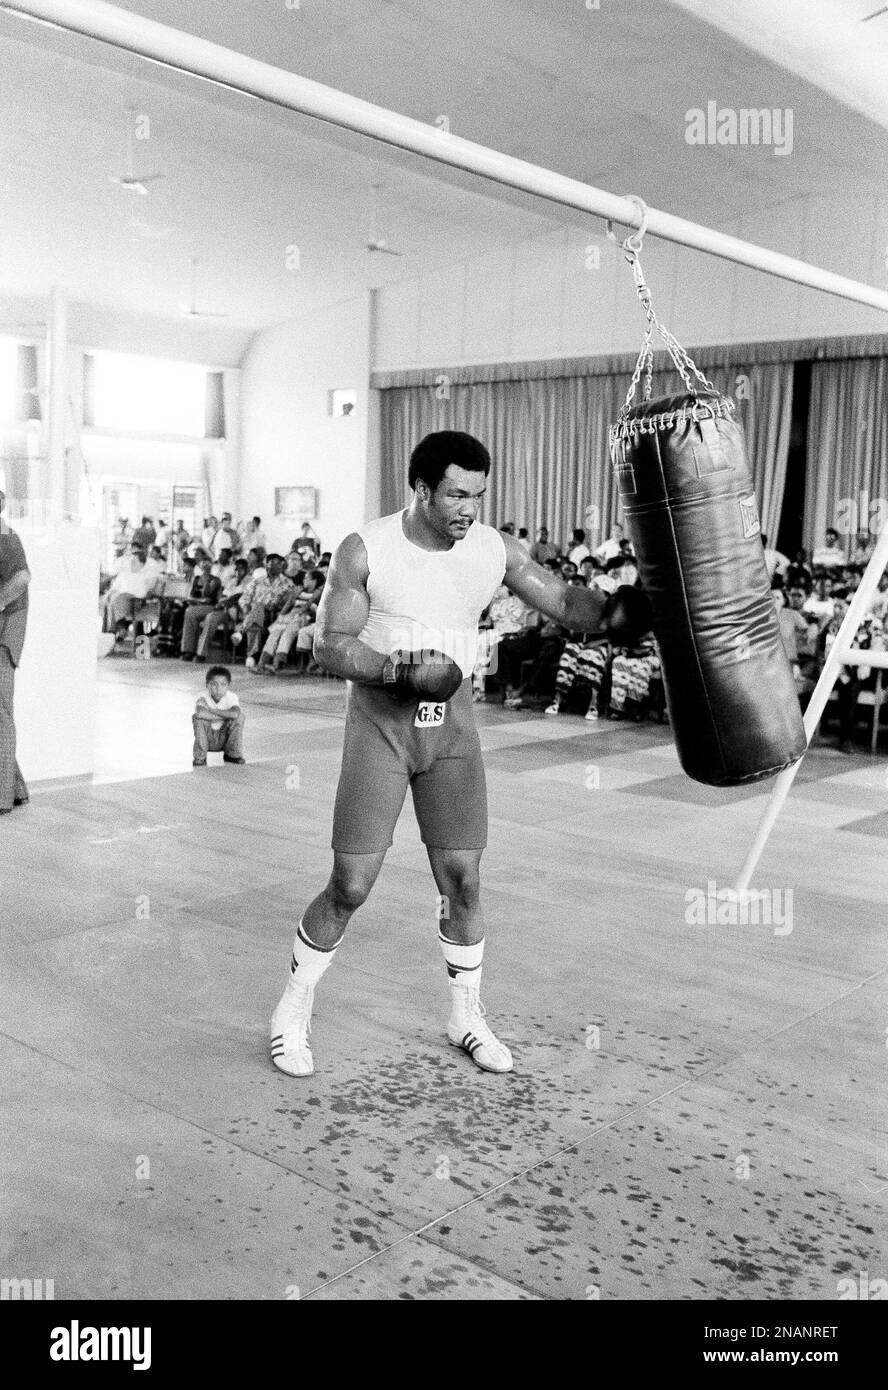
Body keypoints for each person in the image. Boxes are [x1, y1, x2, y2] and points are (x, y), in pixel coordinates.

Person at [269, 429, 650, 1078]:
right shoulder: (367, 550)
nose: (468, 509)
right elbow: (331, 645)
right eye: (454, 495)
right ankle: (292, 1007)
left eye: (477, 494)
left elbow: (561, 601)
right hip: (381, 726)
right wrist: (400, 671)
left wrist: (617, 614)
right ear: (420, 489)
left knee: (464, 878)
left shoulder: (492, 548)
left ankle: (465, 1015)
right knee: (351, 885)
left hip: (453, 727)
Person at [0, 490, 30, 814]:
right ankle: (15, 788)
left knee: (0, 716)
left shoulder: (5, 538)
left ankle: (2, 798)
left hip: (3, 639)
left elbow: (22, 578)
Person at [192, 665, 246, 767]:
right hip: (207, 739)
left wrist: (212, 710)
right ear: (207, 685)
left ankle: (232, 754)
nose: (218, 688)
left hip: (225, 739)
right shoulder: (202, 695)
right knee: (197, 718)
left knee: (240, 717)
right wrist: (226, 716)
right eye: (214, 684)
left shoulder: (232, 696)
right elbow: (201, 713)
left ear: (228, 686)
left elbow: (235, 714)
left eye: (223, 684)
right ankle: (200, 756)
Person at [179, 561, 222, 660]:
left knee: (190, 612)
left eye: (208, 564)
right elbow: (190, 595)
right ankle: (188, 650)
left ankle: (198, 652)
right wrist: (198, 600)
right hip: (197, 605)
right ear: (200, 566)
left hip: (210, 606)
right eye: (204, 564)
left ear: (211, 567)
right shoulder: (196, 579)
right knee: (189, 611)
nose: (206, 566)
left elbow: (214, 597)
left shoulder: (216, 580)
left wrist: (207, 583)